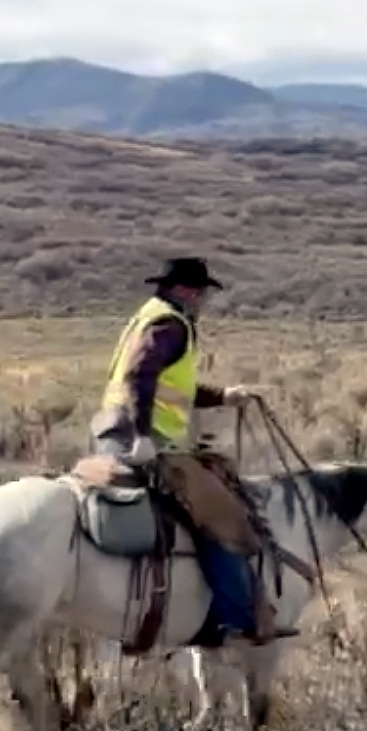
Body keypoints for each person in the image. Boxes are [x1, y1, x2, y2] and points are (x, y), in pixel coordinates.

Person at [88, 254, 283, 644]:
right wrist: (142, 435)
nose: (203, 301)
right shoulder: (170, 325)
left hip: (112, 430)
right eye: (201, 293)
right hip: (146, 439)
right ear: (185, 291)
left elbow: (171, 387)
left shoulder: (149, 317)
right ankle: (236, 617)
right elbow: (139, 376)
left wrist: (223, 396)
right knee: (222, 517)